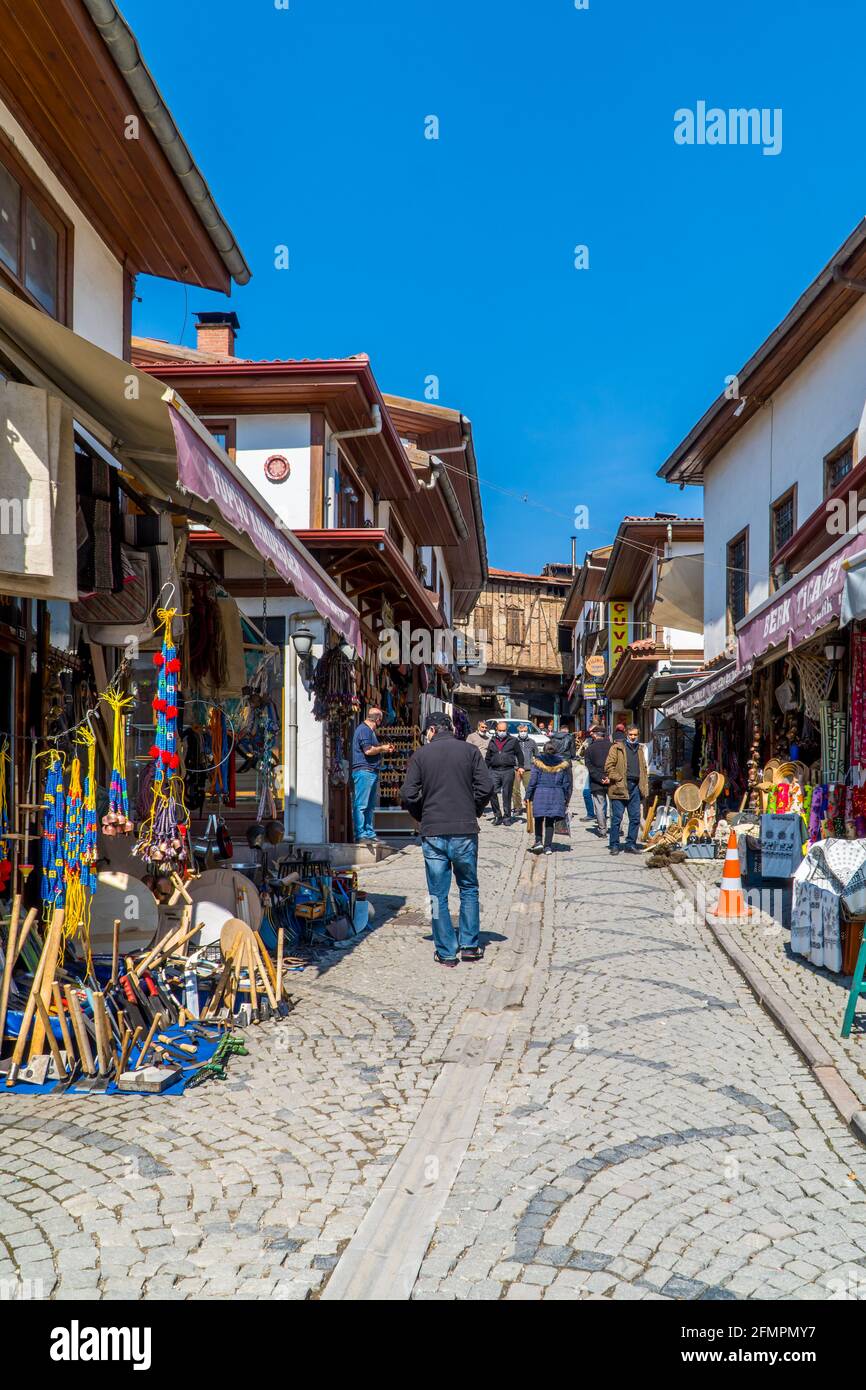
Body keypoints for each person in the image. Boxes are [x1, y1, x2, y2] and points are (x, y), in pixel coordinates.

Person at [400, 711, 494, 966]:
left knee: (437, 894)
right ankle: (470, 946)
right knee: (469, 888)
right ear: (450, 728)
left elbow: (408, 794)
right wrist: (472, 809)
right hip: (464, 830)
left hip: (433, 832)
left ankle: (446, 951)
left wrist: (422, 815)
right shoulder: (470, 751)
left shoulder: (421, 755)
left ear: (431, 730)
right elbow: (487, 787)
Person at [351, 706, 394, 848]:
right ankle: (361, 834)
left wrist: (383, 748)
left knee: (369, 806)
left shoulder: (368, 731)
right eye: (381, 719)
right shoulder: (364, 730)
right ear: (378, 719)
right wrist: (382, 748)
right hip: (364, 771)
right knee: (362, 804)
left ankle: (369, 834)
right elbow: (368, 750)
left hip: (370, 771)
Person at [604, 723, 648, 854]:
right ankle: (614, 845)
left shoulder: (640, 749)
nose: (633, 737)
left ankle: (630, 844)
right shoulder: (617, 748)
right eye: (631, 734)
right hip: (619, 786)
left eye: (635, 735)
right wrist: (618, 778)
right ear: (626, 734)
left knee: (635, 817)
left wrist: (644, 785)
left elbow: (643, 768)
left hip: (635, 787)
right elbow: (608, 766)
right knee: (617, 818)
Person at [525, 740, 573, 854]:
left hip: (540, 793)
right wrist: (566, 798)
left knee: (539, 818)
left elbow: (533, 781)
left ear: (544, 750)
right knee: (550, 820)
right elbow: (566, 784)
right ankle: (548, 847)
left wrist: (527, 796)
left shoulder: (537, 763)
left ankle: (538, 841)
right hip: (556, 794)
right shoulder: (562, 764)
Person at [485, 720, 521, 825]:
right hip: (494, 770)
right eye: (500, 730)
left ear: (507, 730)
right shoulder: (492, 741)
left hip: (508, 770)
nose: (502, 732)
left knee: (507, 794)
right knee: (492, 792)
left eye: (504, 730)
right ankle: (498, 815)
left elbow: (519, 754)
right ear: (496, 730)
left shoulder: (513, 740)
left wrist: (521, 767)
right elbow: (488, 757)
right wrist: (484, 770)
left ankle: (507, 817)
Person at [584, 725, 612, 836]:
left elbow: (589, 767)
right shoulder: (612, 747)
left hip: (597, 782)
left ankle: (602, 830)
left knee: (599, 806)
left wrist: (600, 778)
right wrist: (609, 777)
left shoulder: (590, 749)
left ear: (595, 735)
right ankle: (617, 829)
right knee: (614, 806)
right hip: (611, 781)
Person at [512, 722, 536, 830]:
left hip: (528, 769)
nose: (523, 733)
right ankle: (517, 808)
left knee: (529, 788)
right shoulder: (514, 742)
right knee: (515, 789)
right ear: (518, 731)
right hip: (516, 768)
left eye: (525, 731)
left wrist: (535, 765)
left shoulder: (532, 742)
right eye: (521, 731)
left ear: (527, 731)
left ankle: (530, 807)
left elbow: (537, 755)